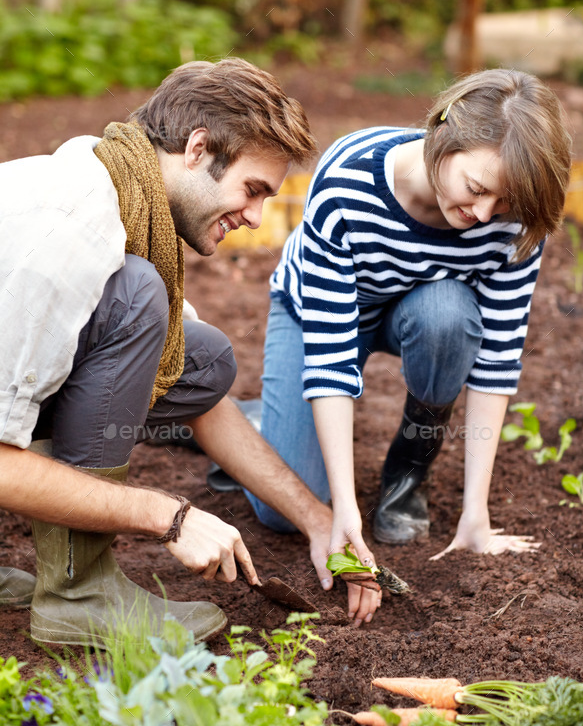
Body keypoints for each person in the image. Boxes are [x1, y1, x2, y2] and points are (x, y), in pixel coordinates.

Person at [0, 57, 381, 647]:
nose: (256, 218)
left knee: (198, 360)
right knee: (135, 299)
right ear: (198, 149)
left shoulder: (126, 193)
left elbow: (204, 399)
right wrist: (168, 515)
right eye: (252, 190)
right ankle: (78, 595)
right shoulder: (70, 232)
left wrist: (317, 518)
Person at [248, 69, 572, 567]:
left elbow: (498, 356)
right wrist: (345, 511)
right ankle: (262, 422)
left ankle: (407, 474)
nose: (484, 214)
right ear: (443, 134)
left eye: (502, 201)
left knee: (449, 316)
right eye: (475, 187)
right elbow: (332, 354)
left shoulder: (515, 219)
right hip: (320, 312)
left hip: (419, 312)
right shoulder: (349, 179)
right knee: (283, 513)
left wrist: (476, 514)